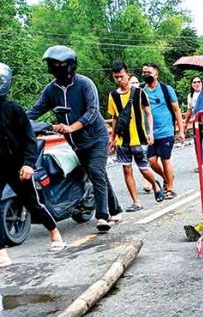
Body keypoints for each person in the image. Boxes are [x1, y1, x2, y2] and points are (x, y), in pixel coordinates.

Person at [0, 60, 65, 273]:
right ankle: (1, 253)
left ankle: (54, 231)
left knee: (32, 203)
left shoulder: (13, 110)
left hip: (17, 167)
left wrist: (29, 164)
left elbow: (29, 140)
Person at [28, 45, 122, 232]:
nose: (55, 67)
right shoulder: (51, 90)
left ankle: (103, 216)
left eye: (59, 63)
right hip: (76, 143)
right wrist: (13, 121)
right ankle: (116, 209)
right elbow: (35, 111)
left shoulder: (85, 84)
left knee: (96, 171)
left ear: (70, 65)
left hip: (96, 138)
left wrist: (71, 127)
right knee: (99, 175)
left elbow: (92, 112)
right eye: (52, 64)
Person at [106, 62, 163, 211]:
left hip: (139, 138)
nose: (119, 80)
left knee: (144, 168)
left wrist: (151, 132)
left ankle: (155, 185)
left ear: (128, 75)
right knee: (126, 169)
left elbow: (148, 113)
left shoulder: (139, 92)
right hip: (122, 140)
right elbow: (115, 118)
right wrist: (112, 139)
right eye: (116, 77)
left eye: (122, 76)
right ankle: (136, 202)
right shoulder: (113, 95)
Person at [140, 63, 183, 199]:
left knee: (165, 159)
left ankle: (170, 189)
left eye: (149, 72)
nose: (146, 75)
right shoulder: (141, 91)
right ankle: (167, 177)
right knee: (151, 161)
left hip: (166, 131)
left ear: (156, 75)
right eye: (144, 72)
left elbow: (177, 110)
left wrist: (181, 130)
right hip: (151, 133)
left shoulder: (166, 89)